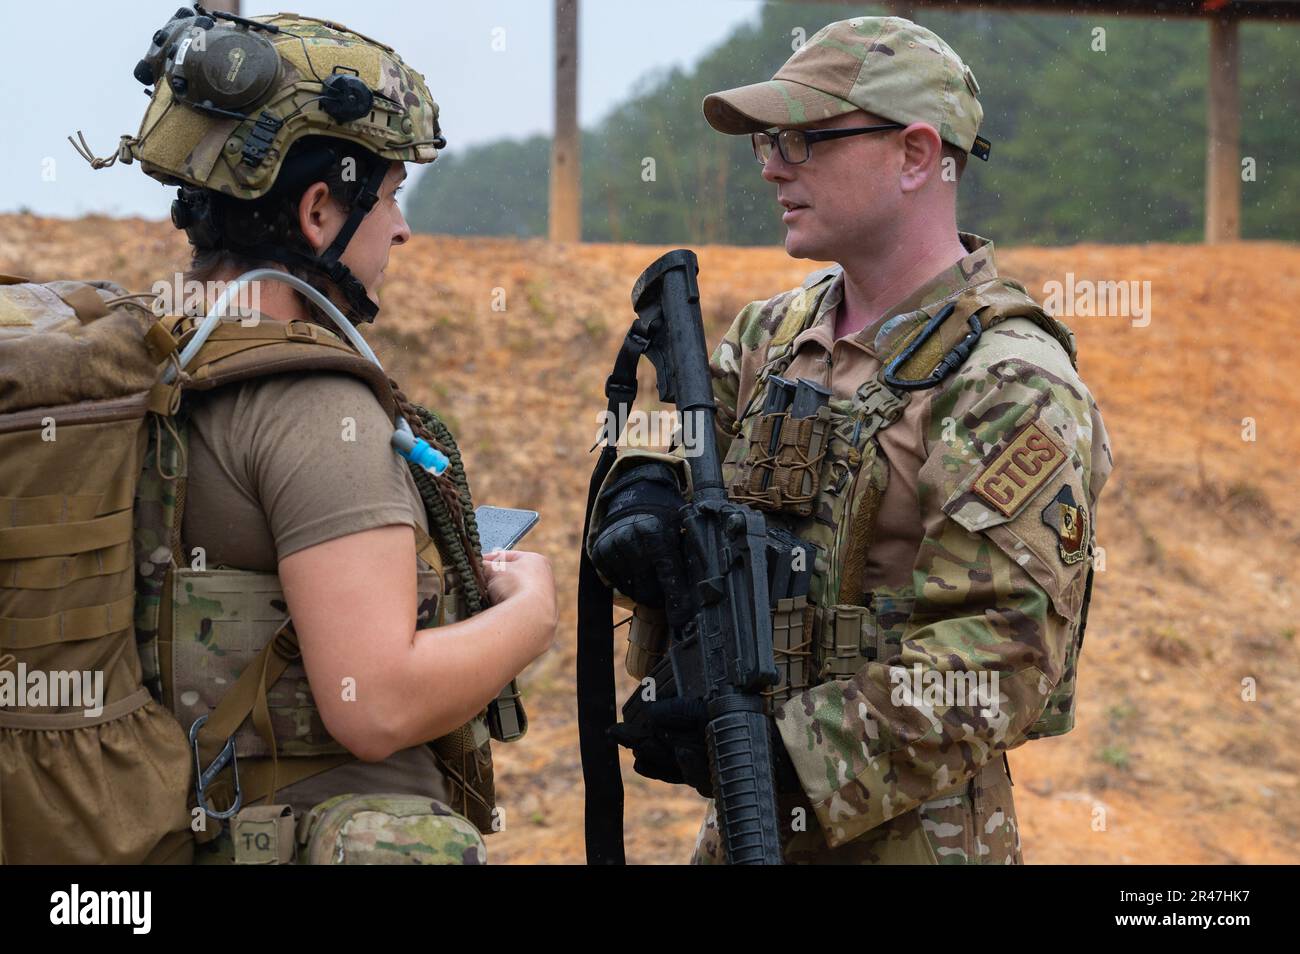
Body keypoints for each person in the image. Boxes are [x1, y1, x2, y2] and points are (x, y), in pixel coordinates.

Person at [593, 15, 1111, 864]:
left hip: (912, 838)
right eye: (766, 140)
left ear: (915, 155)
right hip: (746, 827)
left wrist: (785, 753)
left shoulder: (1008, 378)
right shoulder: (771, 332)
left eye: (802, 138)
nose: (770, 165)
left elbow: (1003, 655)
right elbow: (674, 440)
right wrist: (642, 492)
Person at [115, 8, 555, 863]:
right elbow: (376, 704)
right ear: (319, 212)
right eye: (389, 196)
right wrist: (532, 615)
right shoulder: (315, 405)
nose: (401, 228)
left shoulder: (139, 359)